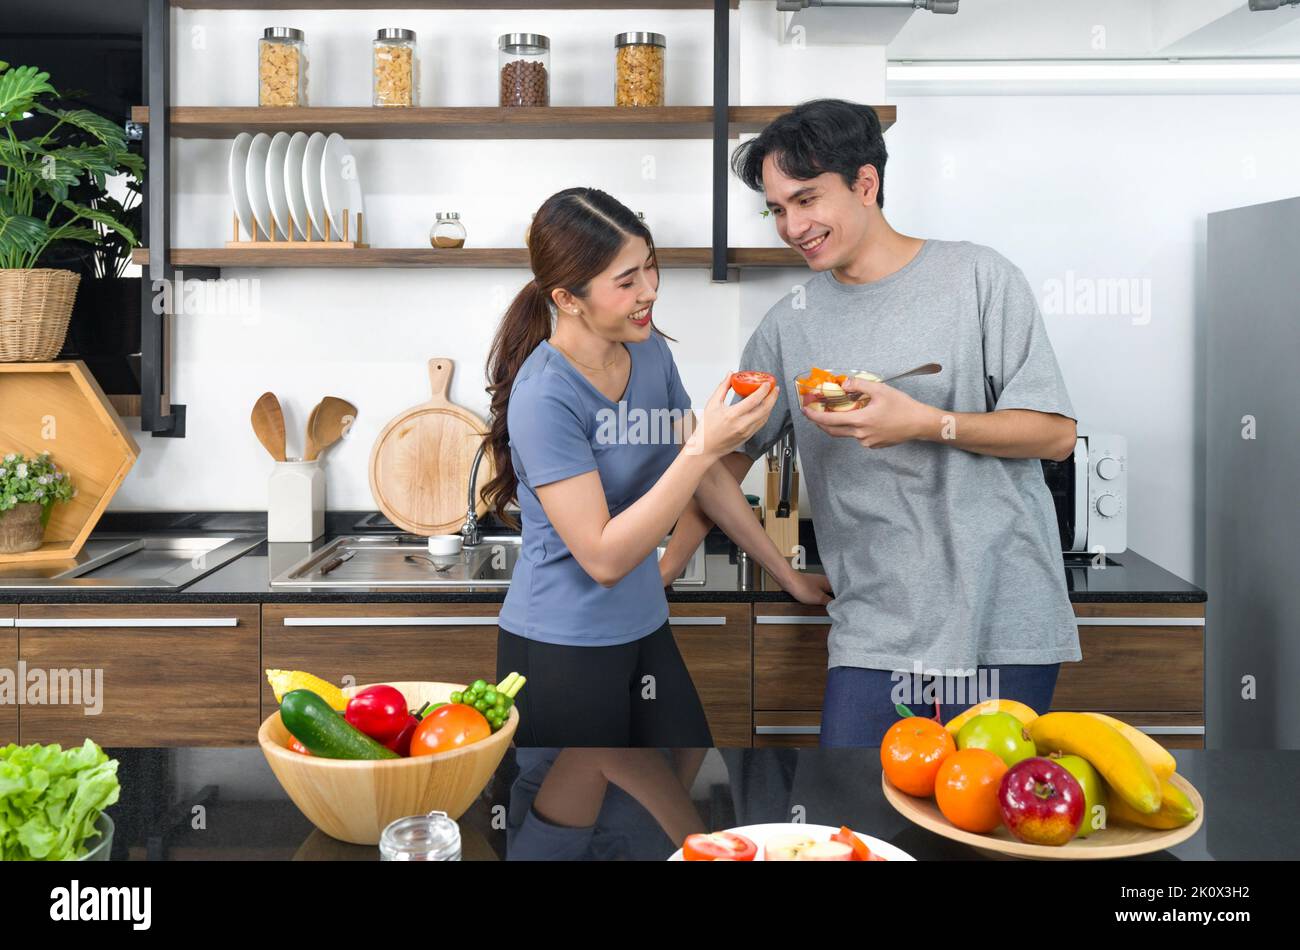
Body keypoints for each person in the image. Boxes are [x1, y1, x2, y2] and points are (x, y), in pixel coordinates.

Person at [662, 99, 1082, 747]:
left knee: (982, 830)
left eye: (806, 200)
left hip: (1004, 619)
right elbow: (719, 467)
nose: (792, 226)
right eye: (776, 209)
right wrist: (763, 572)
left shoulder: (980, 278)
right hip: (874, 631)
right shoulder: (787, 323)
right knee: (856, 823)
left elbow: (1052, 433)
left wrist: (924, 423)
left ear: (865, 184)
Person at [483, 187, 833, 749]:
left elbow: (711, 480)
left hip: (645, 626)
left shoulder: (649, 352)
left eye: (651, 268)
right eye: (626, 282)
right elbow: (603, 558)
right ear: (568, 299)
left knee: (683, 796)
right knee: (578, 833)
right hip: (563, 644)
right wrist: (702, 449)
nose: (649, 291)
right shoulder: (545, 395)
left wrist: (784, 573)